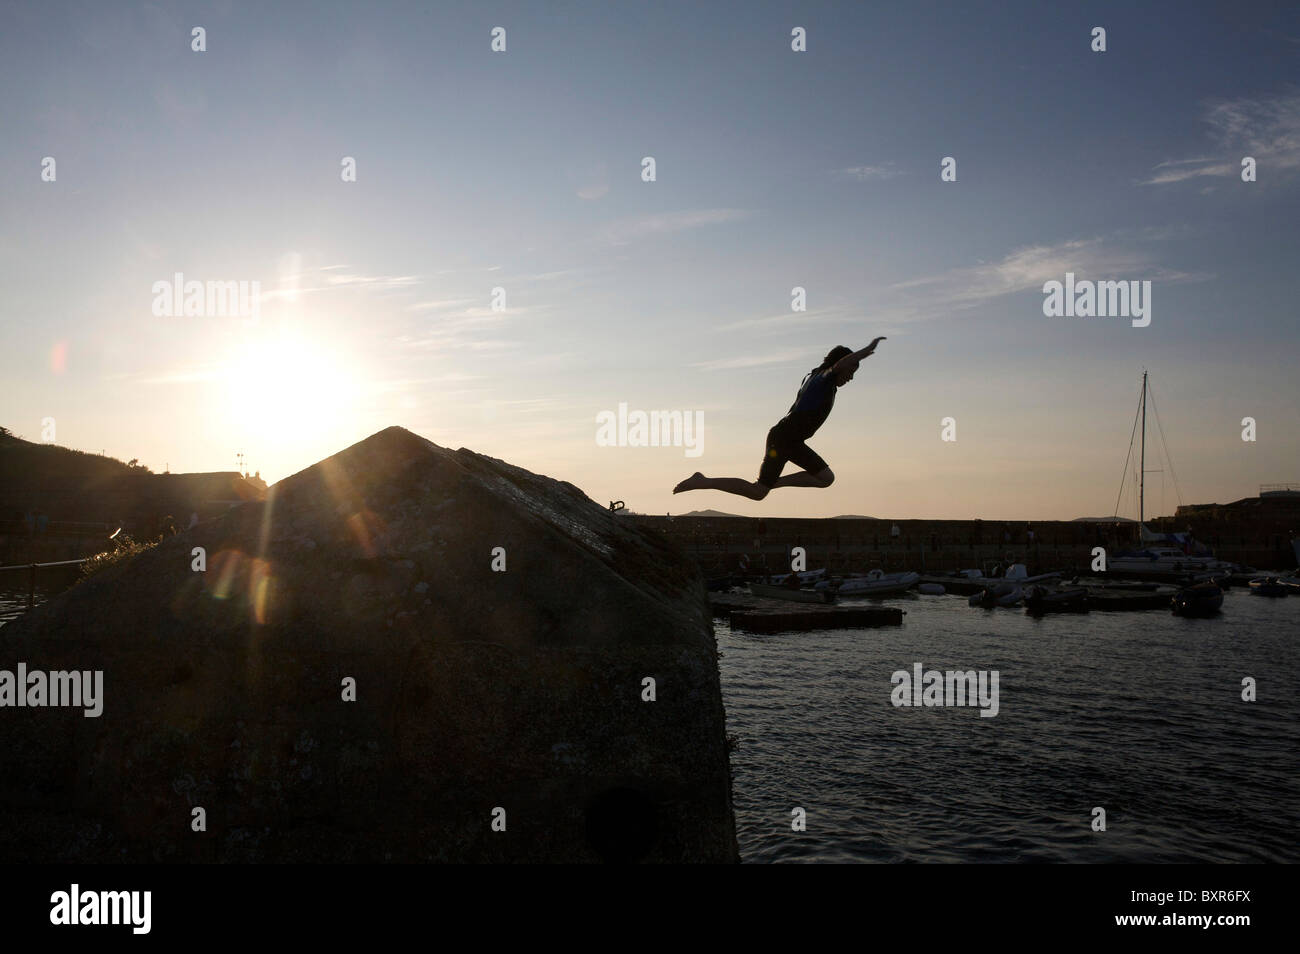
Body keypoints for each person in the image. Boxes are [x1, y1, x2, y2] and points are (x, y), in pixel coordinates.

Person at [673, 338, 885, 500]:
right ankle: (703, 481)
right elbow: (839, 366)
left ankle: (772, 483)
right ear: (841, 364)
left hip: (789, 440)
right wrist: (865, 351)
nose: (851, 377)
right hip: (783, 439)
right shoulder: (823, 378)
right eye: (851, 370)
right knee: (758, 492)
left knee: (822, 479)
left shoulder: (819, 378)